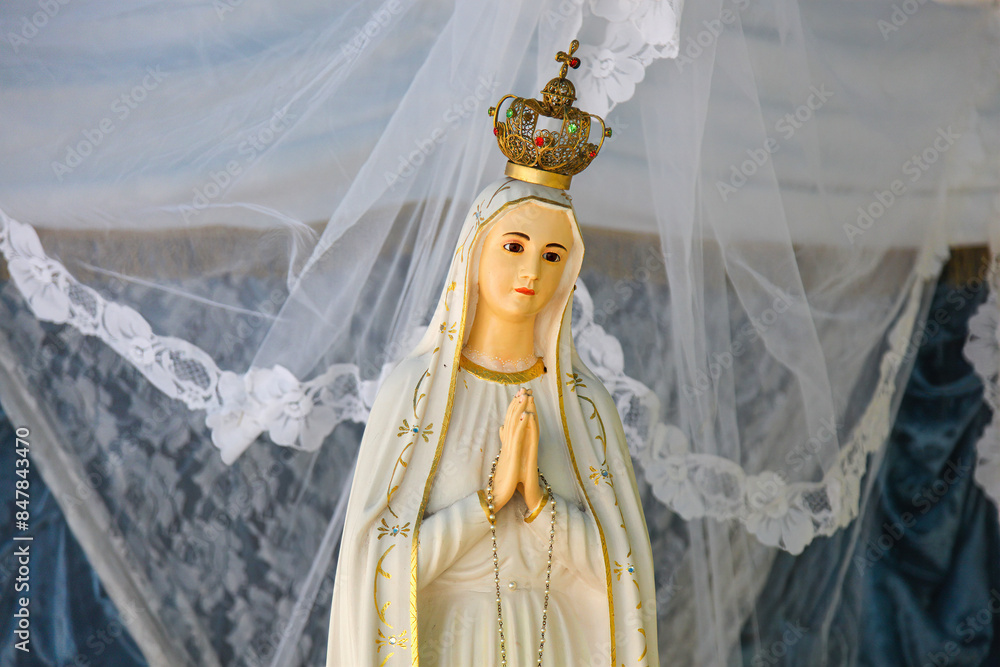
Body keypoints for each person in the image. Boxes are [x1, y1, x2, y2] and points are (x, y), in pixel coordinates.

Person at [326, 175, 659, 666]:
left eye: (552, 255)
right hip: (456, 644)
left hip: (557, 645)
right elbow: (377, 566)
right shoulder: (417, 393)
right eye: (514, 245)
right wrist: (490, 500)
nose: (532, 270)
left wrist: (538, 501)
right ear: (475, 249)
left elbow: (620, 573)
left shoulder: (585, 405)